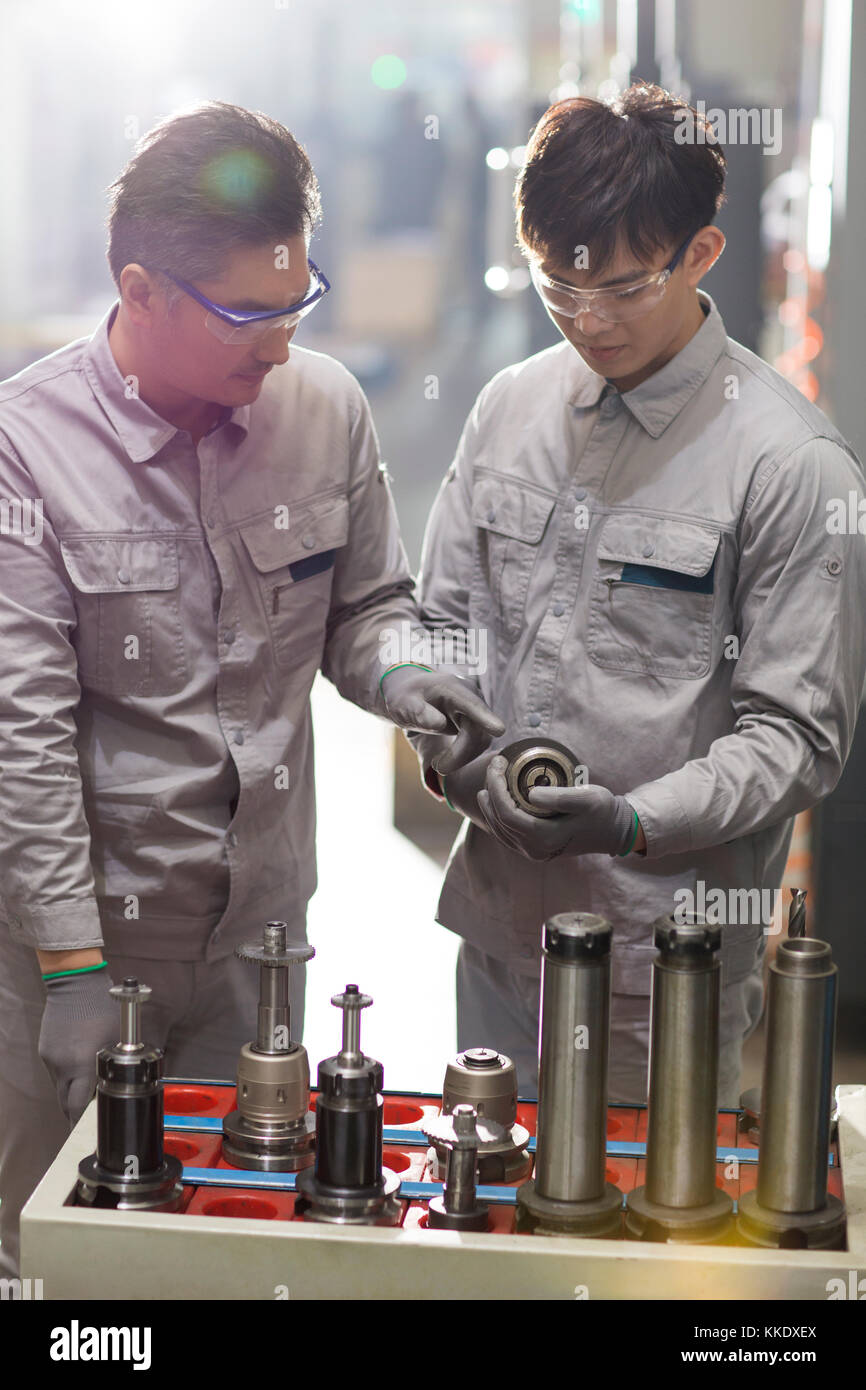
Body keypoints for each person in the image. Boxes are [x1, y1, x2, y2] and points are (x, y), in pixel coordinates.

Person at [0, 101, 502, 1279]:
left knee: (227, 1254)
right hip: (71, 957)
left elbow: (366, 611)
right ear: (142, 290)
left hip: (256, 953)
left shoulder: (323, 410)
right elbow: (20, 733)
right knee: (50, 1256)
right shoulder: (28, 451)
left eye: (297, 301)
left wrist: (411, 679)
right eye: (246, 314)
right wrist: (71, 969)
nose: (279, 344)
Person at [407, 84, 866, 1102]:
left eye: (619, 288)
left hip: (660, 973)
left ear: (698, 254)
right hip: (494, 940)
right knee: (480, 1227)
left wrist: (624, 820)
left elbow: (796, 737)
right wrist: (456, 762)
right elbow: (439, 629)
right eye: (554, 286)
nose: (584, 319)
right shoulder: (508, 408)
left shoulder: (787, 466)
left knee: (632, 1242)